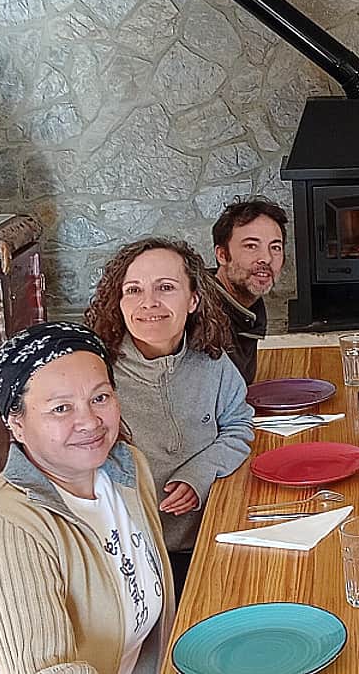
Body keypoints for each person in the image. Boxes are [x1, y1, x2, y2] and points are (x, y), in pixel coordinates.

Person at [0, 322, 174, 674]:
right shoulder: (0, 533)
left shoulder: (126, 470)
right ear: (16, 423)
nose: (90, 421)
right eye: (61, 408)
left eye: (100, 397)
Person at [86, 237, 254, 590]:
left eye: (166, 287)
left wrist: (201, 472)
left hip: (212, 536)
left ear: (193, 299)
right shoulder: (95, 379)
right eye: (133, 290)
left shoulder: (213, 363)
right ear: (118, 303)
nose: (149, 303)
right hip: (131, 558)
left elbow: (239, 425)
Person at [210, 198, 288, 383]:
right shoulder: (202, 312)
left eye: (275, 247)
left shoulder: (249, 305)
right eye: (251, 246)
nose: (266, 258)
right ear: (222, 255)